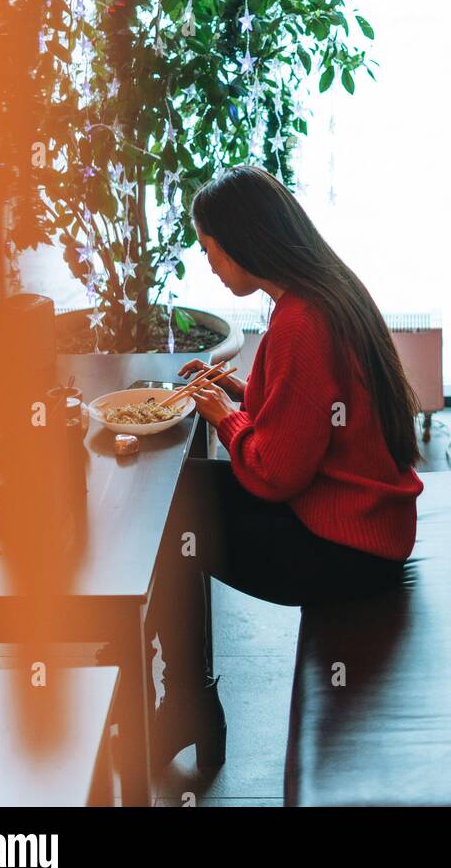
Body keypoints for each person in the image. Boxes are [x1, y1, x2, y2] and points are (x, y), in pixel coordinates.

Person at [149, 165, 424, 774]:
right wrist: (241, 394)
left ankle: (186, 704)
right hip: (369, 520)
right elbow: (305, 416)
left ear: (244, 242)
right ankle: (188, 702)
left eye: (210, 250)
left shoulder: (302, 322)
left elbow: (274, 472)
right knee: (184, 502)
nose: (211, 265)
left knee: (174, 521)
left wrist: (225, 417)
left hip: (350, 549)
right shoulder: (322, 291)